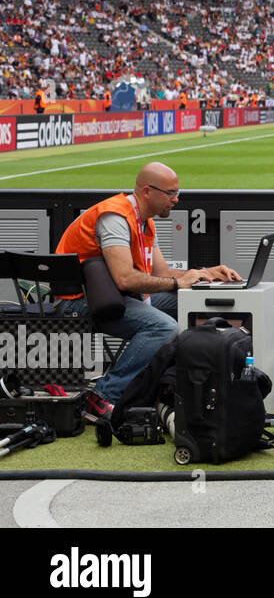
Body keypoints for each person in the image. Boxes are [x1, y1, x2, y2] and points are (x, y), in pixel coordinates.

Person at [55, 162, 241, 420]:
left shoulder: (145, 223)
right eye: (171, 193)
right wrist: (179, 283)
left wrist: (205, 273)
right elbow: (125, 279)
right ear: (147, 192)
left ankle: (173, 385)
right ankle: (103, 396)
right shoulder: (115, 218)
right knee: (163, 327)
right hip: (77, 303)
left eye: (178, 193)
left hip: (112, 298)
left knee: (189, 300)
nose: (176, 200)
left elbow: (162, 275)